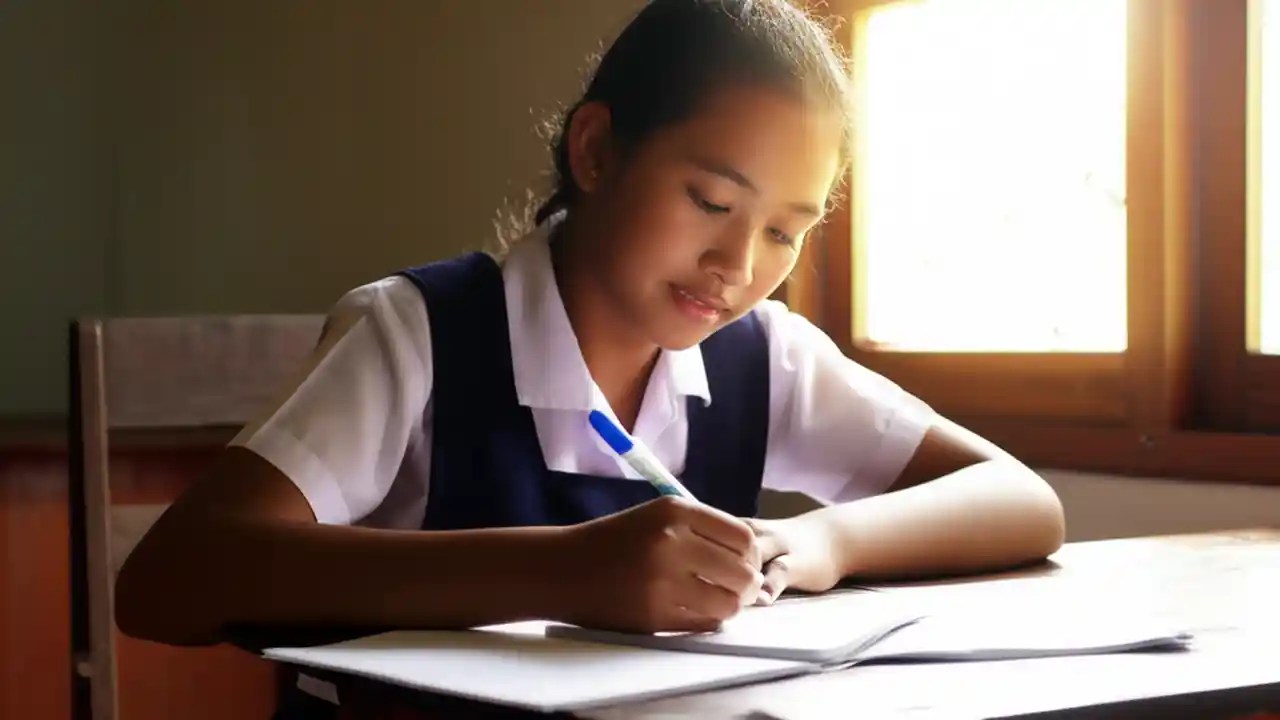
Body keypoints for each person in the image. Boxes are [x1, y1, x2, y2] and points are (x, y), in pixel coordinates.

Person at [116, 0, 1065, 714]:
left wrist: (816, 543)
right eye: (708, 200)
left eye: (786, 231)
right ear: (598, 150)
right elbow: (171, 582)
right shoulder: (419, 335)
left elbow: (1021, 502)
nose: (738, 267)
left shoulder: (755, 359)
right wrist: (560, 572)